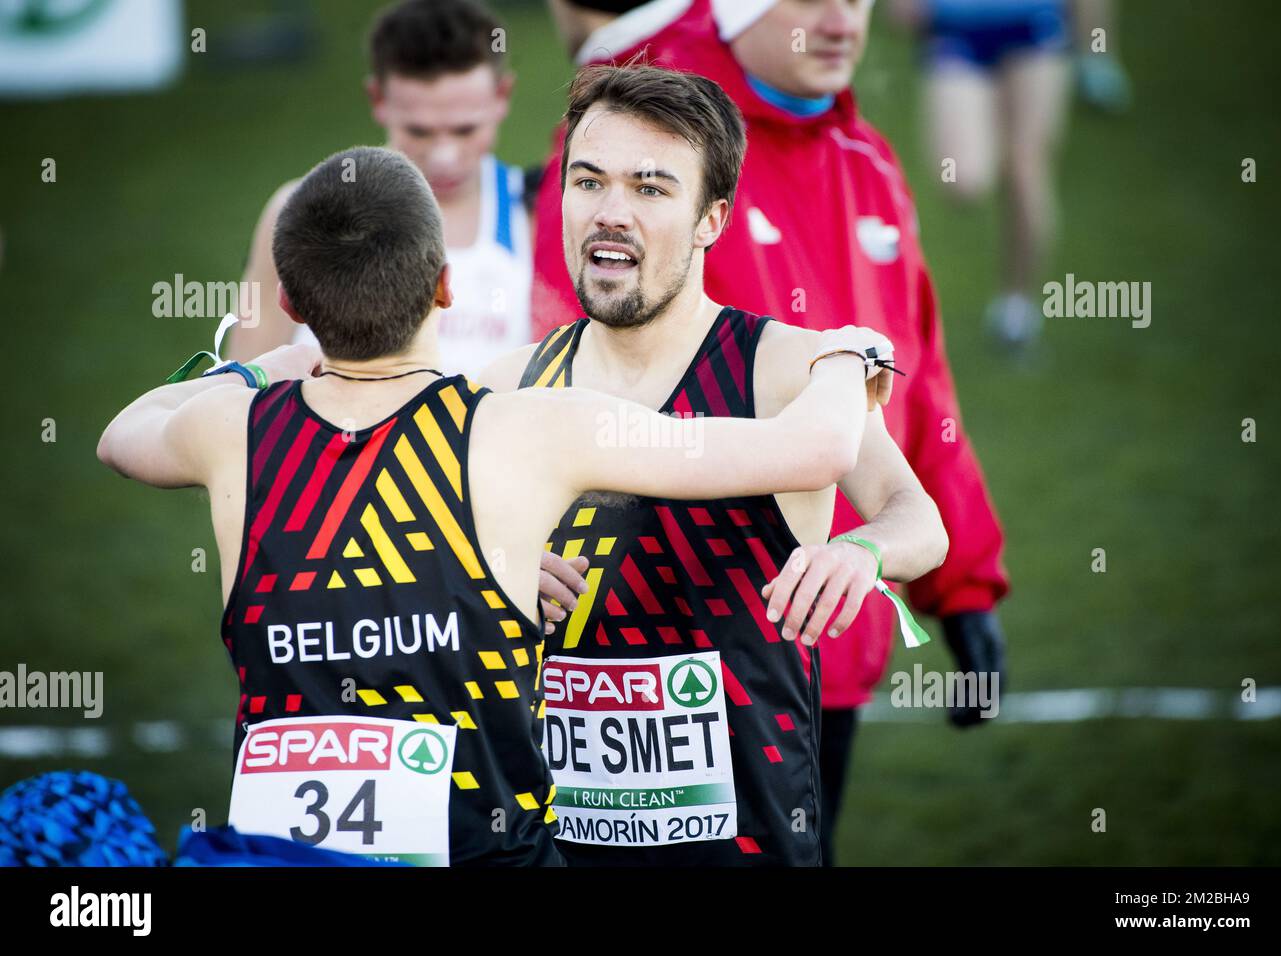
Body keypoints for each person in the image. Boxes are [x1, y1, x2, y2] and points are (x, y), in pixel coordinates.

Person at [97, 145, 883, 865]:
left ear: (296, 305)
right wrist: (848, 355)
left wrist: (262, 367)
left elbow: (121, 432)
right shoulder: (525, 424)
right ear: (446, 283)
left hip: (282, 856)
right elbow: (815, 450)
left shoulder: (230, 430)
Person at [535, 0, 1010, 865]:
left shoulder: (858, 182)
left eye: (648, 190)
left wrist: (953, 581)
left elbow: (920, 393)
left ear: (710, 216)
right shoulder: (522, 377)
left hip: (800, 655)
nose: (840, 20)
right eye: (590, 183)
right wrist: (487, 560)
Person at [225, 0, 533, 377]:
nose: (444, 157)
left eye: (465, 129)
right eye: (418, 131)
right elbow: (243, 383)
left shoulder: (539, 213)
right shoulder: (301, 210)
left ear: (502, 95)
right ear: (378, 100)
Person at [889, 0, 1073, 351]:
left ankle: (1017, 310)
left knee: (1027, 170)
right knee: (963, 181)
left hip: (1034, 21)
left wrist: (1099, 41)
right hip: (955, 24)